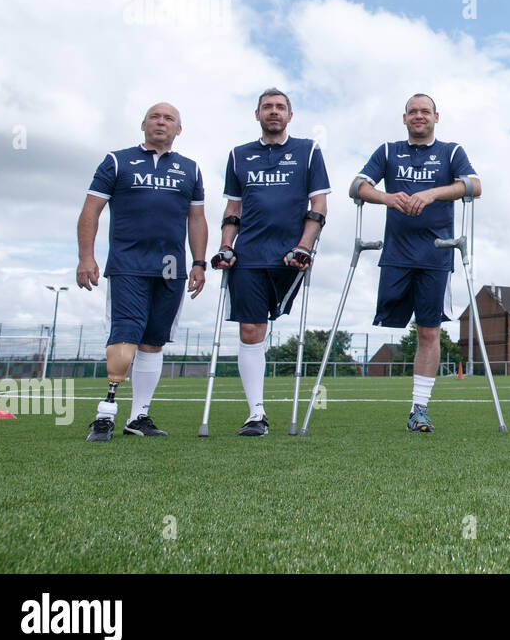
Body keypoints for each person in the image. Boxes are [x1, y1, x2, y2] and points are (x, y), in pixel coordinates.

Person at [76, 102, 207, 441]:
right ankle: (105, 415)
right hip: (128, 264)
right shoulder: (117, 161)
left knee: (153, 342)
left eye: (169, 118)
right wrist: (86, 257)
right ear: (143, 124)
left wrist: (198, 261)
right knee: (125, 336)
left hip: (170, 269)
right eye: (154, 116)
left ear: (179, 129)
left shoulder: (190, 170)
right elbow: (92, 209)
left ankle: (139, 417)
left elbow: (196, 218)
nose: (161, 122)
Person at [351, 93, 479, 433]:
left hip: (436, 253)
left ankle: (418, 409)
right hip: (396, 253)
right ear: (404, 117)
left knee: (428, 330)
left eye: (425, 111)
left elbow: (474, 185)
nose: (419, 116)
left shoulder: (451, 152)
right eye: (413, 112)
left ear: (437, 116)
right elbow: (357, 185)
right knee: (392, 324)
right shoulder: (389, 151)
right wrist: (388, 198)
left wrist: (434, 192)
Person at [210, 88, 330, 436]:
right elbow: (233, 209)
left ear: (289, 116)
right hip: (249, 255)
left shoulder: (308, 151)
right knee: (251, 330)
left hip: (290, 256)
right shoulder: (239, 155)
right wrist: (225, 246)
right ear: (257, 114)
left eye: (280, 107)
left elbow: (318, 206)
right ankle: (256, 413)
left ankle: (264, 410)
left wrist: (305, 246)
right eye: (267, 107)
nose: (273, 112)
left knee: (279, 321)